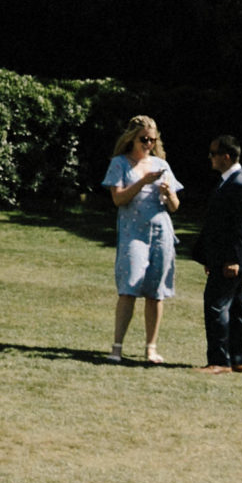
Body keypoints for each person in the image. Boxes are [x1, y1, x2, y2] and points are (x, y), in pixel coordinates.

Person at [102, 114, 182, 364]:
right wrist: (142, 183)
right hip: (133, 233)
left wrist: (169, 193)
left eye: (152, 140)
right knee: (129, 288)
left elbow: (175, 207)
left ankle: (151, 347)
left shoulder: (162, 165)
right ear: (132, 139)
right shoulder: (120, 164)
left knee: (156, 292)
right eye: (143, 139)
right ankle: (117, 347)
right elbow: (118, 199)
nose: (148, 144)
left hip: (160, 232)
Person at [196, 134, 242, 374]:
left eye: (214, 153)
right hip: (222, 256)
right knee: (235, 307)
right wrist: (209, 257)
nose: (210, 158)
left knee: (215, 305)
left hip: (232, 258)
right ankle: (240, 359)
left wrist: (233, 259)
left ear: (226, 156)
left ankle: (219, 361)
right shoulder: (228, 181)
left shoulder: (241, 184)